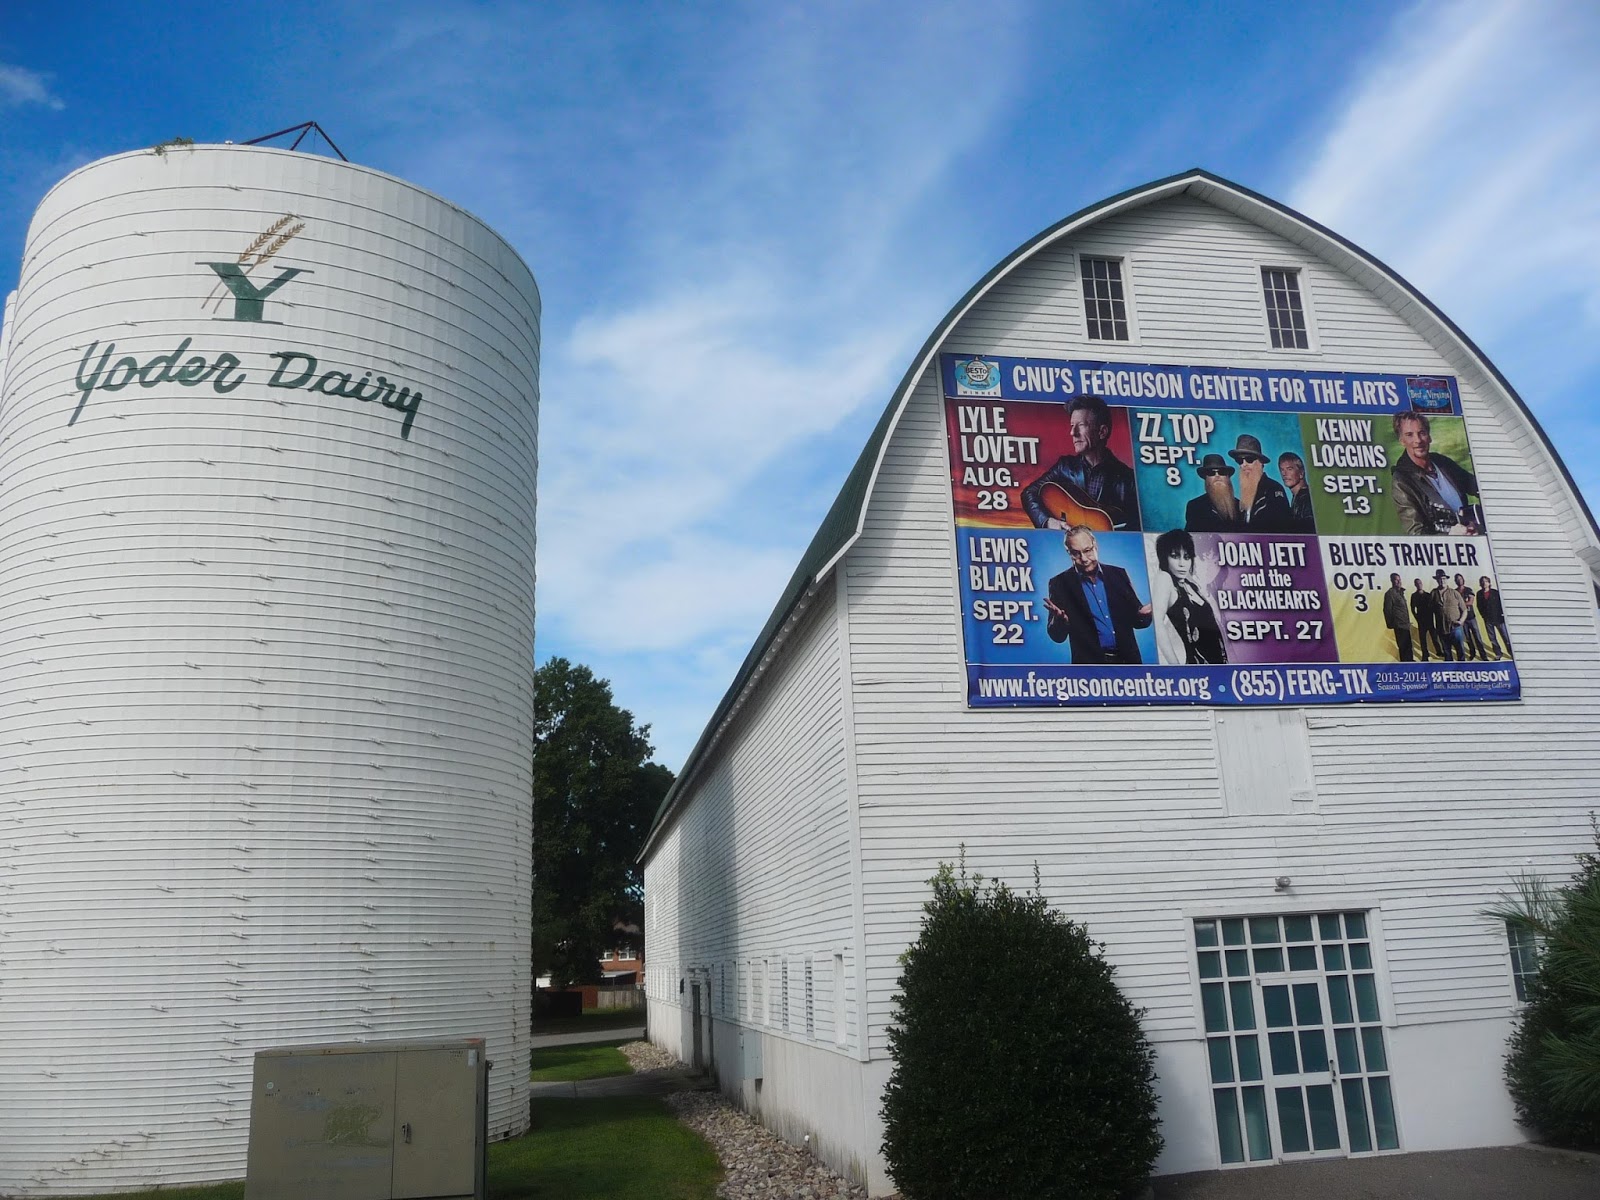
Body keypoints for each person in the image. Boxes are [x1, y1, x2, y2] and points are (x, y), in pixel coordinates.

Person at [1021, 395, 1141, 530]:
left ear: (1102, 432)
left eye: (1081, 425)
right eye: (1072, 426)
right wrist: (1048, 521)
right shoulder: (1064, 466)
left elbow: (1137, 525)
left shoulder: (1128, 479)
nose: (1073, 432)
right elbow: (1029, 493)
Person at [1044, 525, 1153, 664]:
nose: (1083, 558)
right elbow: (1057, 636)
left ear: (1095, 546)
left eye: (1087, 550)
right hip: (1089, 669)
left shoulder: (1119, 574)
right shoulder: (1059, 583)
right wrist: (1060, 621)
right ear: (1068, 552)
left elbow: (1137, 621)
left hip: (1128, 663)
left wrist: (1144, 614)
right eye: (1076, 553)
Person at [1390, 412, 1479, 535]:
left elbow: (1477, 487)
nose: (1418, 440)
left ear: (1429, 436)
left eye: (1422, 433)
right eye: (1409, 435)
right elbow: (1417, 533)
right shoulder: (1402, 481)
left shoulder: (1441, 462)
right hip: (1444, 550)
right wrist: (1450, 536)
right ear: (1402, 441)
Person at [1150, 529, 1227, 665]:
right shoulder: (1165, 578)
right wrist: (1176, 667)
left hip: (1219, 665)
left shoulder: (1192, 586)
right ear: (1164, 557)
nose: (1182, 563)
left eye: (1186, 557)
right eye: (1175, 556)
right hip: (1196, 670)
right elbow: (1156, 622)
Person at [1229, 434, 1294, 532]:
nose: (1244, 464)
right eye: (1239, 461)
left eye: (1249, 459)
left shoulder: (1273, 489)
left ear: (1261, 462)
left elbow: (1283, 528)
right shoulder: (1243, 500)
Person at [1184, 454, 1240, 532]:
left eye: (1221, 472)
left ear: (1227, 477)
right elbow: (1192, 537)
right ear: (1206, 478)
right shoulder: (1195, 506)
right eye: (1211, 473)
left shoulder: (1241, 507)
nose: (1217, 476)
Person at [1279, 451, 1316, 533]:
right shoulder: (1297, 498)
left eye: (1289, 469)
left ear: (1301, 473)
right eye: (1282, 470)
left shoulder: (1308, 498)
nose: (1284, 473)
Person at [1433, 569, 1466, 660]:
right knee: (1447, 653)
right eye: (1440, 579)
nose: (1442, 581)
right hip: (1441, 629)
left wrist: (1461, 621)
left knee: (1460, 651)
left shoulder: (1455, 593)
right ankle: (1450, 671)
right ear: (1437, 580)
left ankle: (1462, 670)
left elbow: (1464, 610)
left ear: (1446, 580)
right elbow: (1430, 610)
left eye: (1444, 578)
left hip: (1455, 627)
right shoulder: (1433, 593)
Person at [1477, 576, 1512, 658]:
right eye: (1482, 581)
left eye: (1486, 581)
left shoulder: (1495, 592)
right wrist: (1484, 616)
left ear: (1489, 583)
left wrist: (1502, 614)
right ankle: (1498, 653)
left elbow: (1501, 604)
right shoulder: (1479, 593)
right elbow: (1479, 606)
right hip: (1488, 619)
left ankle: (1511, 653)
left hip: (1498, 618)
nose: (1484, 583)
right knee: (1492, 638)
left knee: (1505, 637)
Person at [1456, 573, 1488, 661]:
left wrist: (1460, 604)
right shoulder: (1455, 592)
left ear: (1463, 580)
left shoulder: (1468, 589)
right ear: (1455, 581)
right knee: (1468, 638)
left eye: (1460, 579)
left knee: (1477, 637)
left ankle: (1483, 656)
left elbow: (1470, 602)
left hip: (1471, 618)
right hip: (1462, 619)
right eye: (1457, 579)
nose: (1459, 581)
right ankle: (1472, 654)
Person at [1382, 573, 1414, 662]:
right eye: (1396, 579)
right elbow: (1387, 610)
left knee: (1409, 646)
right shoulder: (1390, 594)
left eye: (1399, 579)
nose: (1399, 581)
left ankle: (1410, 662)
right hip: (1399, 624)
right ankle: (1405, 663)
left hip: (1406, 624)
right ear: (1392, 581)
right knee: (1403, 646)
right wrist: (1391, 623)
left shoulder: (1401, 592)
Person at [1410, 577, 1439, 662]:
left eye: (1420, 583)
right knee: (1423, 639)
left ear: (1422, 584)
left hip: (1429, 619)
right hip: (1421, 621)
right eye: (1417, 583)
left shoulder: (1427, 595)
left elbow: (1433, 606)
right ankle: (1425, 655)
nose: (1419, 585)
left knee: (1434, 637)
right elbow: (1412, 608)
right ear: (1415, 585)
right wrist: (1416, 617)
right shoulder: (1414, 596)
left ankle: (1439, 651)